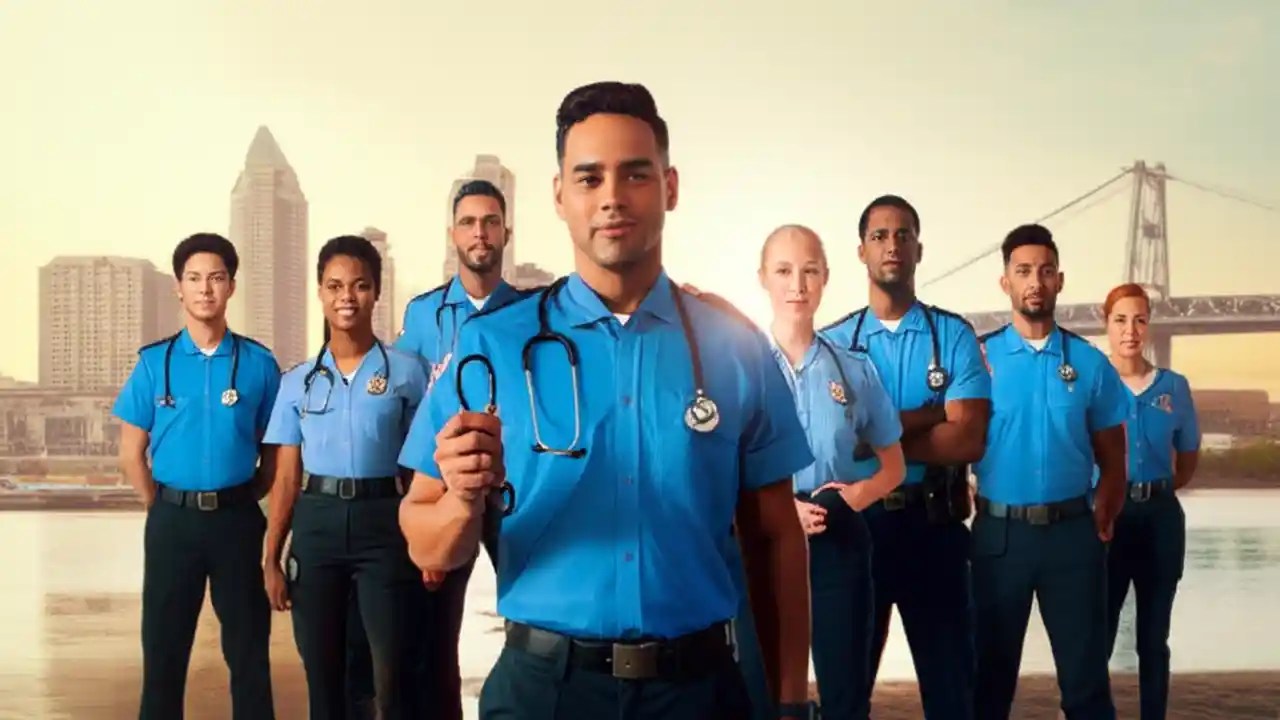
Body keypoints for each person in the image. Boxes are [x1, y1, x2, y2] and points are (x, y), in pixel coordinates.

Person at [397, 80, 815, 720]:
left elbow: (776, 535)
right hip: (543, 693)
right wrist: (460, 499)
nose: (612, 197)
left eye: (636, 175)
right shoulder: (492, 346)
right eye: (589, 178)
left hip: (698, 692)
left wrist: (789, 704)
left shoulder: (734, 346)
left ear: (670, 187)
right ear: (559, 196)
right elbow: (427, 545)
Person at [820, 195, 990, 719]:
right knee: (846, 696)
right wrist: (932, 414)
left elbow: (968, 440)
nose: (891, 245)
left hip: (934, 527)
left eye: (903, 235)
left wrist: (875, 438)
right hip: (855, 528)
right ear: (861, 251)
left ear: (919, 249)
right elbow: (832, 444)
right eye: (879, 236)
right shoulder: (831, 344)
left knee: (952, 695)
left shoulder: (953, 335)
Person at [260, 235, 430, 720]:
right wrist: (271, 558)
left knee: (391, 676)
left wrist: (427, 543)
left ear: (376, 292)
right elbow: (286, 478)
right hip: (318, 526)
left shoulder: (408, 373)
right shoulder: (297, 382)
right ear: (320, 292)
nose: (346, 297)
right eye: (334, 286)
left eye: (359, 285)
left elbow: (420, 468)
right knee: (323, 676)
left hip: (385, 525)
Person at [113, 232, 279, 720]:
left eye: (216, 278)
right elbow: (131, 453)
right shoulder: (154, 363)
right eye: (194, 278)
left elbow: (274, 453)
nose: (205, 289)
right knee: (163, 654)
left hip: (237, 521)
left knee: (249, 653)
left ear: (231, 286)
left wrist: (246, 496)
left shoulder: (259, 364)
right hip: (172, 523)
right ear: (178, 288)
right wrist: (160, 504)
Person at [971, 224, 1128, 720]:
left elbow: (1114, 459)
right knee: (987, 684)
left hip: (1072, 538)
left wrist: (1102, 515)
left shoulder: (1090, 363)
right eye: (1023, 271)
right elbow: (955, 440)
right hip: (999, 539)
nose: (1035, 282)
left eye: (1045, 271)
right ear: (1006, 283)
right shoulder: (978, 359)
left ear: (1060, 280)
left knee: (1086, 687)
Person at [758, 225, 907, 719]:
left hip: (837, 540)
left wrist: (859, 495)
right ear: (763, 278)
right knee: (761, 694)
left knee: (846, 696)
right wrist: (781, 512)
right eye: (784, 271)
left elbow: (894, 466)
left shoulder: (852, 369)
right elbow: (721, 469)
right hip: (763, 542)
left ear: (825, 277)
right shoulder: (742, 368)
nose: (797, 285)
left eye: (809, 271)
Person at [1100, 282, 1200, 720]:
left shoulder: (1174, 388)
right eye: (1121, 320)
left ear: (1149, 326)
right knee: (1099, 634)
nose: (1131, 330)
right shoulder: (1093, 385)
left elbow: (1188, 458)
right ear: (1106, 324)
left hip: (1160, 520)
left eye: (1140, 320)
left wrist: (1156, 492)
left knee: (1153, 639)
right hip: (1108, 518)